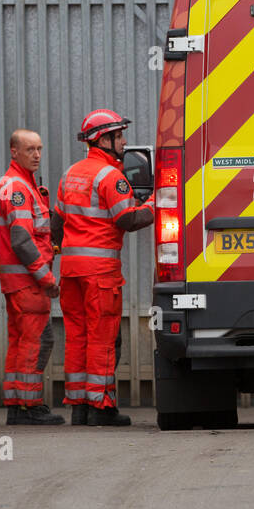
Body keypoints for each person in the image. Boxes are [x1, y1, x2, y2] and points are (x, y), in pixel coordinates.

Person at [56, 109, 153, 426]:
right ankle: (101, 408)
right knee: (103, 339)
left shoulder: (70, 174)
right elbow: (127, 219)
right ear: (105, 139)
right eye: (120, 135)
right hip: (100, 274)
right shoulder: (111, 177)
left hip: (70, 272)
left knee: (77, 338)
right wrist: (157, 204)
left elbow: (56, 225)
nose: (124, 142)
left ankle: (79, 407)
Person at [0, 129, 64, 425]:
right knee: (37, 341)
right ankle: (29, 406)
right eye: (29, 149)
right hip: (28, 281)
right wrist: (46, 278)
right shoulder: (20, 188)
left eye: (39, 148)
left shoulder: (19, 184)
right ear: (14, 151)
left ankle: (17, 405)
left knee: (22, 340)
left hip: (19, 282)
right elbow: (22, 240)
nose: (36, 155)